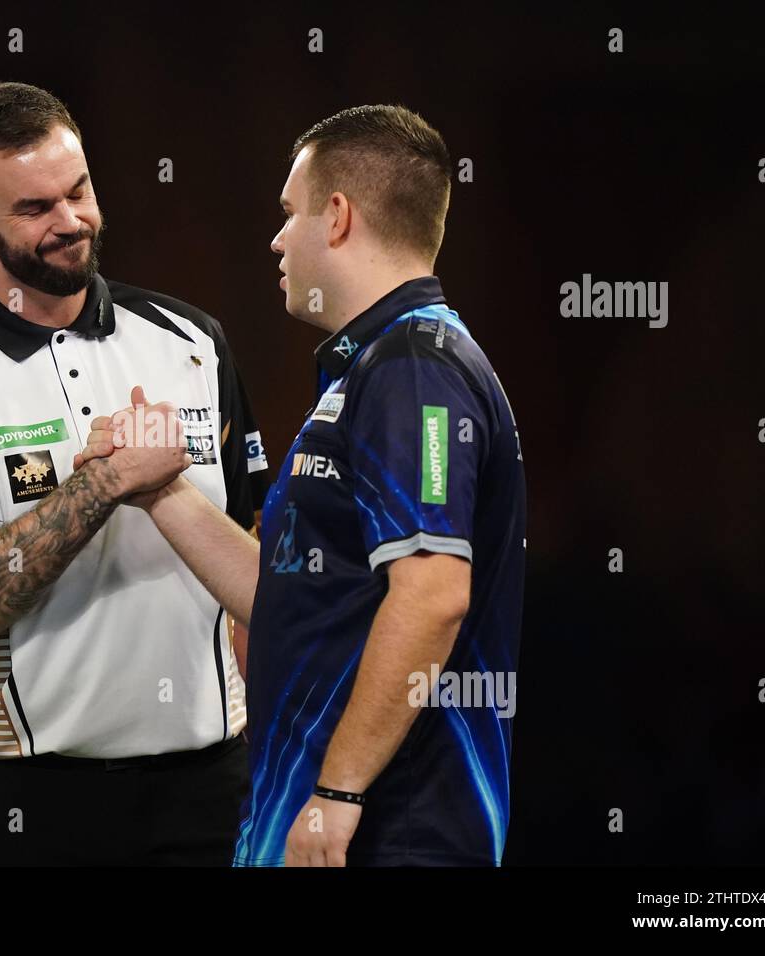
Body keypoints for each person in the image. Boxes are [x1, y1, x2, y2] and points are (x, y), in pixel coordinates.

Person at [78, 105, 527, 866]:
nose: (278, 238)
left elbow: (433, 594)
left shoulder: (415, 369)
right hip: (324, 820)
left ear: (340, 216)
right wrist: (160, 490)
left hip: (394, 833)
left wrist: (340, 793)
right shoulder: (374, 370)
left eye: (291, 213)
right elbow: (289, 595)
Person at [0, 81, 269, 865]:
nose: (71, 222)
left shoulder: (193, 340)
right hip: (33, 807)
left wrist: (277, 755)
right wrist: (100, 484)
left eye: (78, 190)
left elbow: (254, 572)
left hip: (212, 790)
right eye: (34, 209)